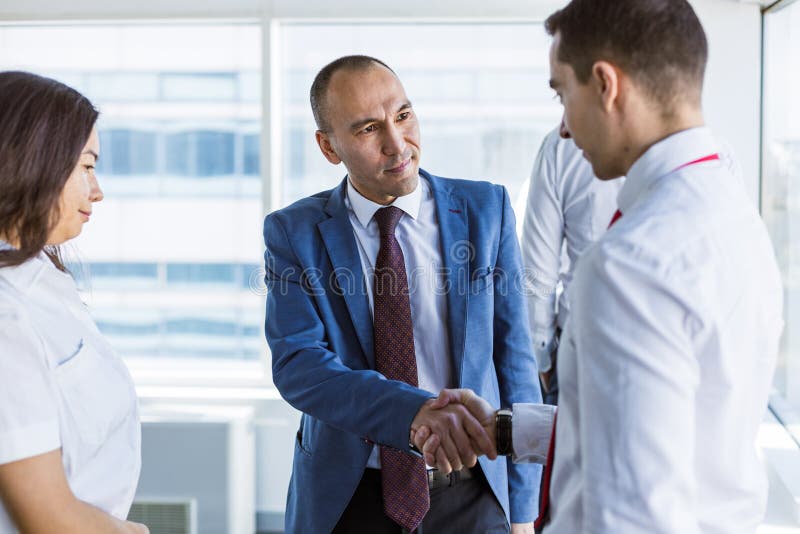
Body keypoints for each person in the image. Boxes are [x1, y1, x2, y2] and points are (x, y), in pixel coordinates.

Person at [415, 1, 783, 532]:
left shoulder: (630, 264)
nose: (564, 128)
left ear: (607, 85)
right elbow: (675, 429)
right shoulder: (732, 211)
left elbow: (631, 515)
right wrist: (505, 431)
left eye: (563, 93)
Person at [263, 55, 543, 534]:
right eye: (369, 128)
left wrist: (523, 511)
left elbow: (513, 356)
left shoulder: (485, 210)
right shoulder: (294, 233)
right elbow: (300, 367)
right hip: (350, 495)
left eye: (403, 116)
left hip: (473, 491)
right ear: (329, 147)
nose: (398, 145)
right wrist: (411, 411)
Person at [0, 72, 146, 534]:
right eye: (86, 166)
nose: (97, 189)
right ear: (35, 161)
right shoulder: (7, 314)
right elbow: (48, 518)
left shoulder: (41, 277)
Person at [521, 122, 623, 405]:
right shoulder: (712, 157)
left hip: (580, 349)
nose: (566, 126)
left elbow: (537, 273)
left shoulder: (559, 147)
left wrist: (544, 357)